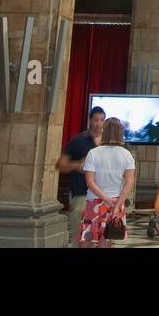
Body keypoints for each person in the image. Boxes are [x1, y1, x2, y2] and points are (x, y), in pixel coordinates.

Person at [79, 118, 136, 248]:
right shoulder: (127, 155)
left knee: (87, 239)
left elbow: (90, 182)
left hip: (94, 201)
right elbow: (129, 183)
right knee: (107, 240)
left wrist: (105, 199)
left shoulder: (93, 153)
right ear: (120, 133)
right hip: (117, 201)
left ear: (104, 132)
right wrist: (116, 204)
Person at [57, 105, 106, 245]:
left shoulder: (107, 144)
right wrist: (77, 165)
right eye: (96, 120)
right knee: (81, 237)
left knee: (102, 237)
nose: (99, 124)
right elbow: (60, 165)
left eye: (102, 120)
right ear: (90, 121)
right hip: (81, 195)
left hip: (103, 195)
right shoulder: (78, 141)